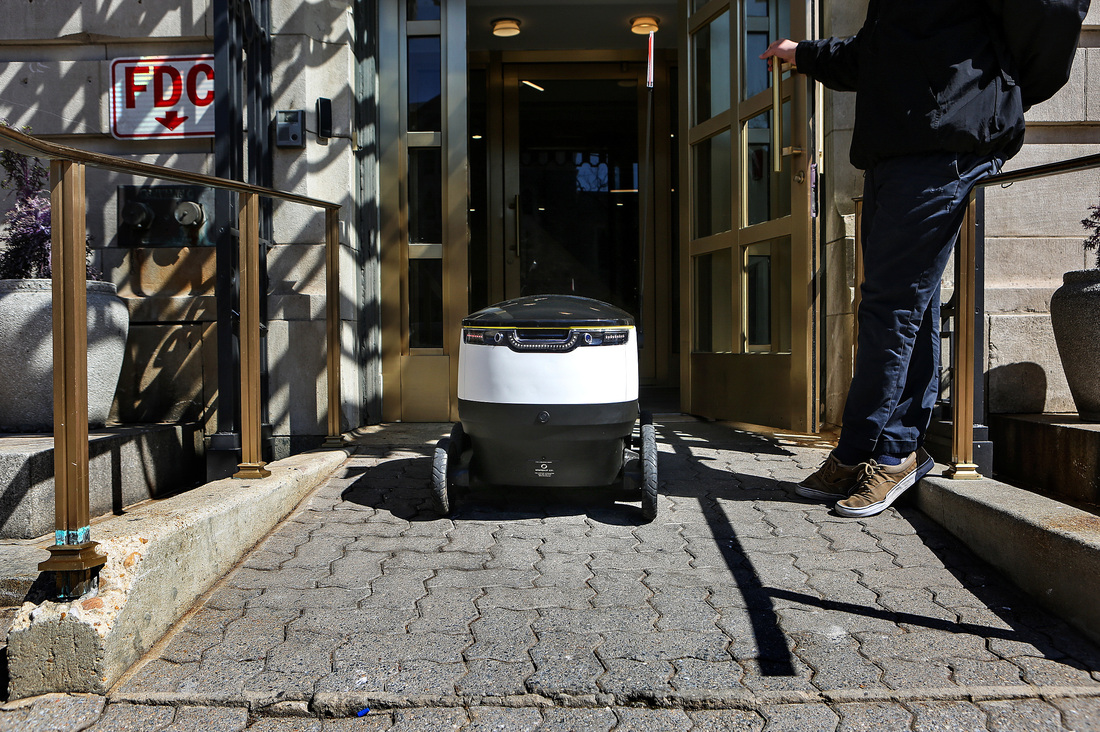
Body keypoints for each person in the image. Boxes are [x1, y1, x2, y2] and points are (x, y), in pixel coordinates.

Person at [760, 1, 1031, 518]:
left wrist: (1005, 90)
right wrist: (805, 54)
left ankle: (880, 453)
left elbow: (1050, 18)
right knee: (910, 307)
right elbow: (874, 55)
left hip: (943, 145)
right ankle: (881, 448)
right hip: (896, 152)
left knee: (890, 309)